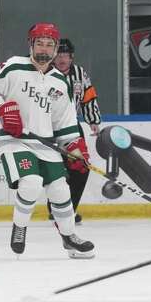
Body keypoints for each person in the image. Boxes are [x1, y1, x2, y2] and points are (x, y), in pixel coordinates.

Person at [0, 22, 94, 258]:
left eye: (49, 44)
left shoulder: (59, 81)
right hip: (15, 141)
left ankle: (69, 237)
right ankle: (19, 228)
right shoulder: (13, 66)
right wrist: (2, 109)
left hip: (46, 145)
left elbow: (64, 122)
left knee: (61, 190)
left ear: (55, 49)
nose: (44, 48)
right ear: (30, 45)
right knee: (30, 182)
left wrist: (74, 146)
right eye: (39, 43)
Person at [48, 38, 102, 223]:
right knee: (56, 169)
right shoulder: (44, 73)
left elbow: (88, 96)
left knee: (80, 168)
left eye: (65, 55)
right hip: (47, 127)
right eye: (58, 55)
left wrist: (93, 120)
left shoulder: (79, 73)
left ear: (71, 57)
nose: (62, 59)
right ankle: (56, 208)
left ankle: (69, 209)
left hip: (71, 126)